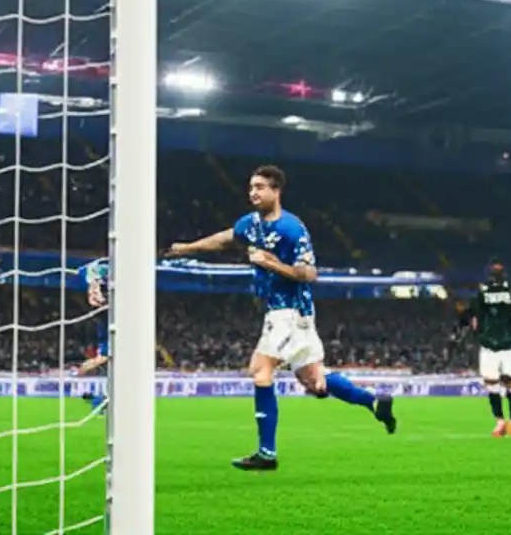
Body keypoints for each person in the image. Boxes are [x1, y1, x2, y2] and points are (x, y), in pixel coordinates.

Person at [168, 164, 396, 471]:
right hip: (283, 314)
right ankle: (375, 403)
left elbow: (309, 273)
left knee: (260, 371)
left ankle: (267, 452)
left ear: (276, 191)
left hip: (290, 312)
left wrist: (272, 263)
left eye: (260, 187)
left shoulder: (292, 228)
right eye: (251, 187)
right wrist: (188, 248)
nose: (253, 192)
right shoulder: (251, 224)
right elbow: (226, 238)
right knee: (313, 379)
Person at [470, 257, 511, 437]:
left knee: (501, 382)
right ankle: (508, 420)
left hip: (496, 344)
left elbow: (476, 319)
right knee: (504, 383)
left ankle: (506, 420)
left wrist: (478, 334)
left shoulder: (483, 293)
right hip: (501, 343)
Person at [78, 258, 110, 412]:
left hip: (107, 321)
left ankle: (101, 400)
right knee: (104, 358)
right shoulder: (98, 273)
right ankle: (98, 399)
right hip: (107, 325)